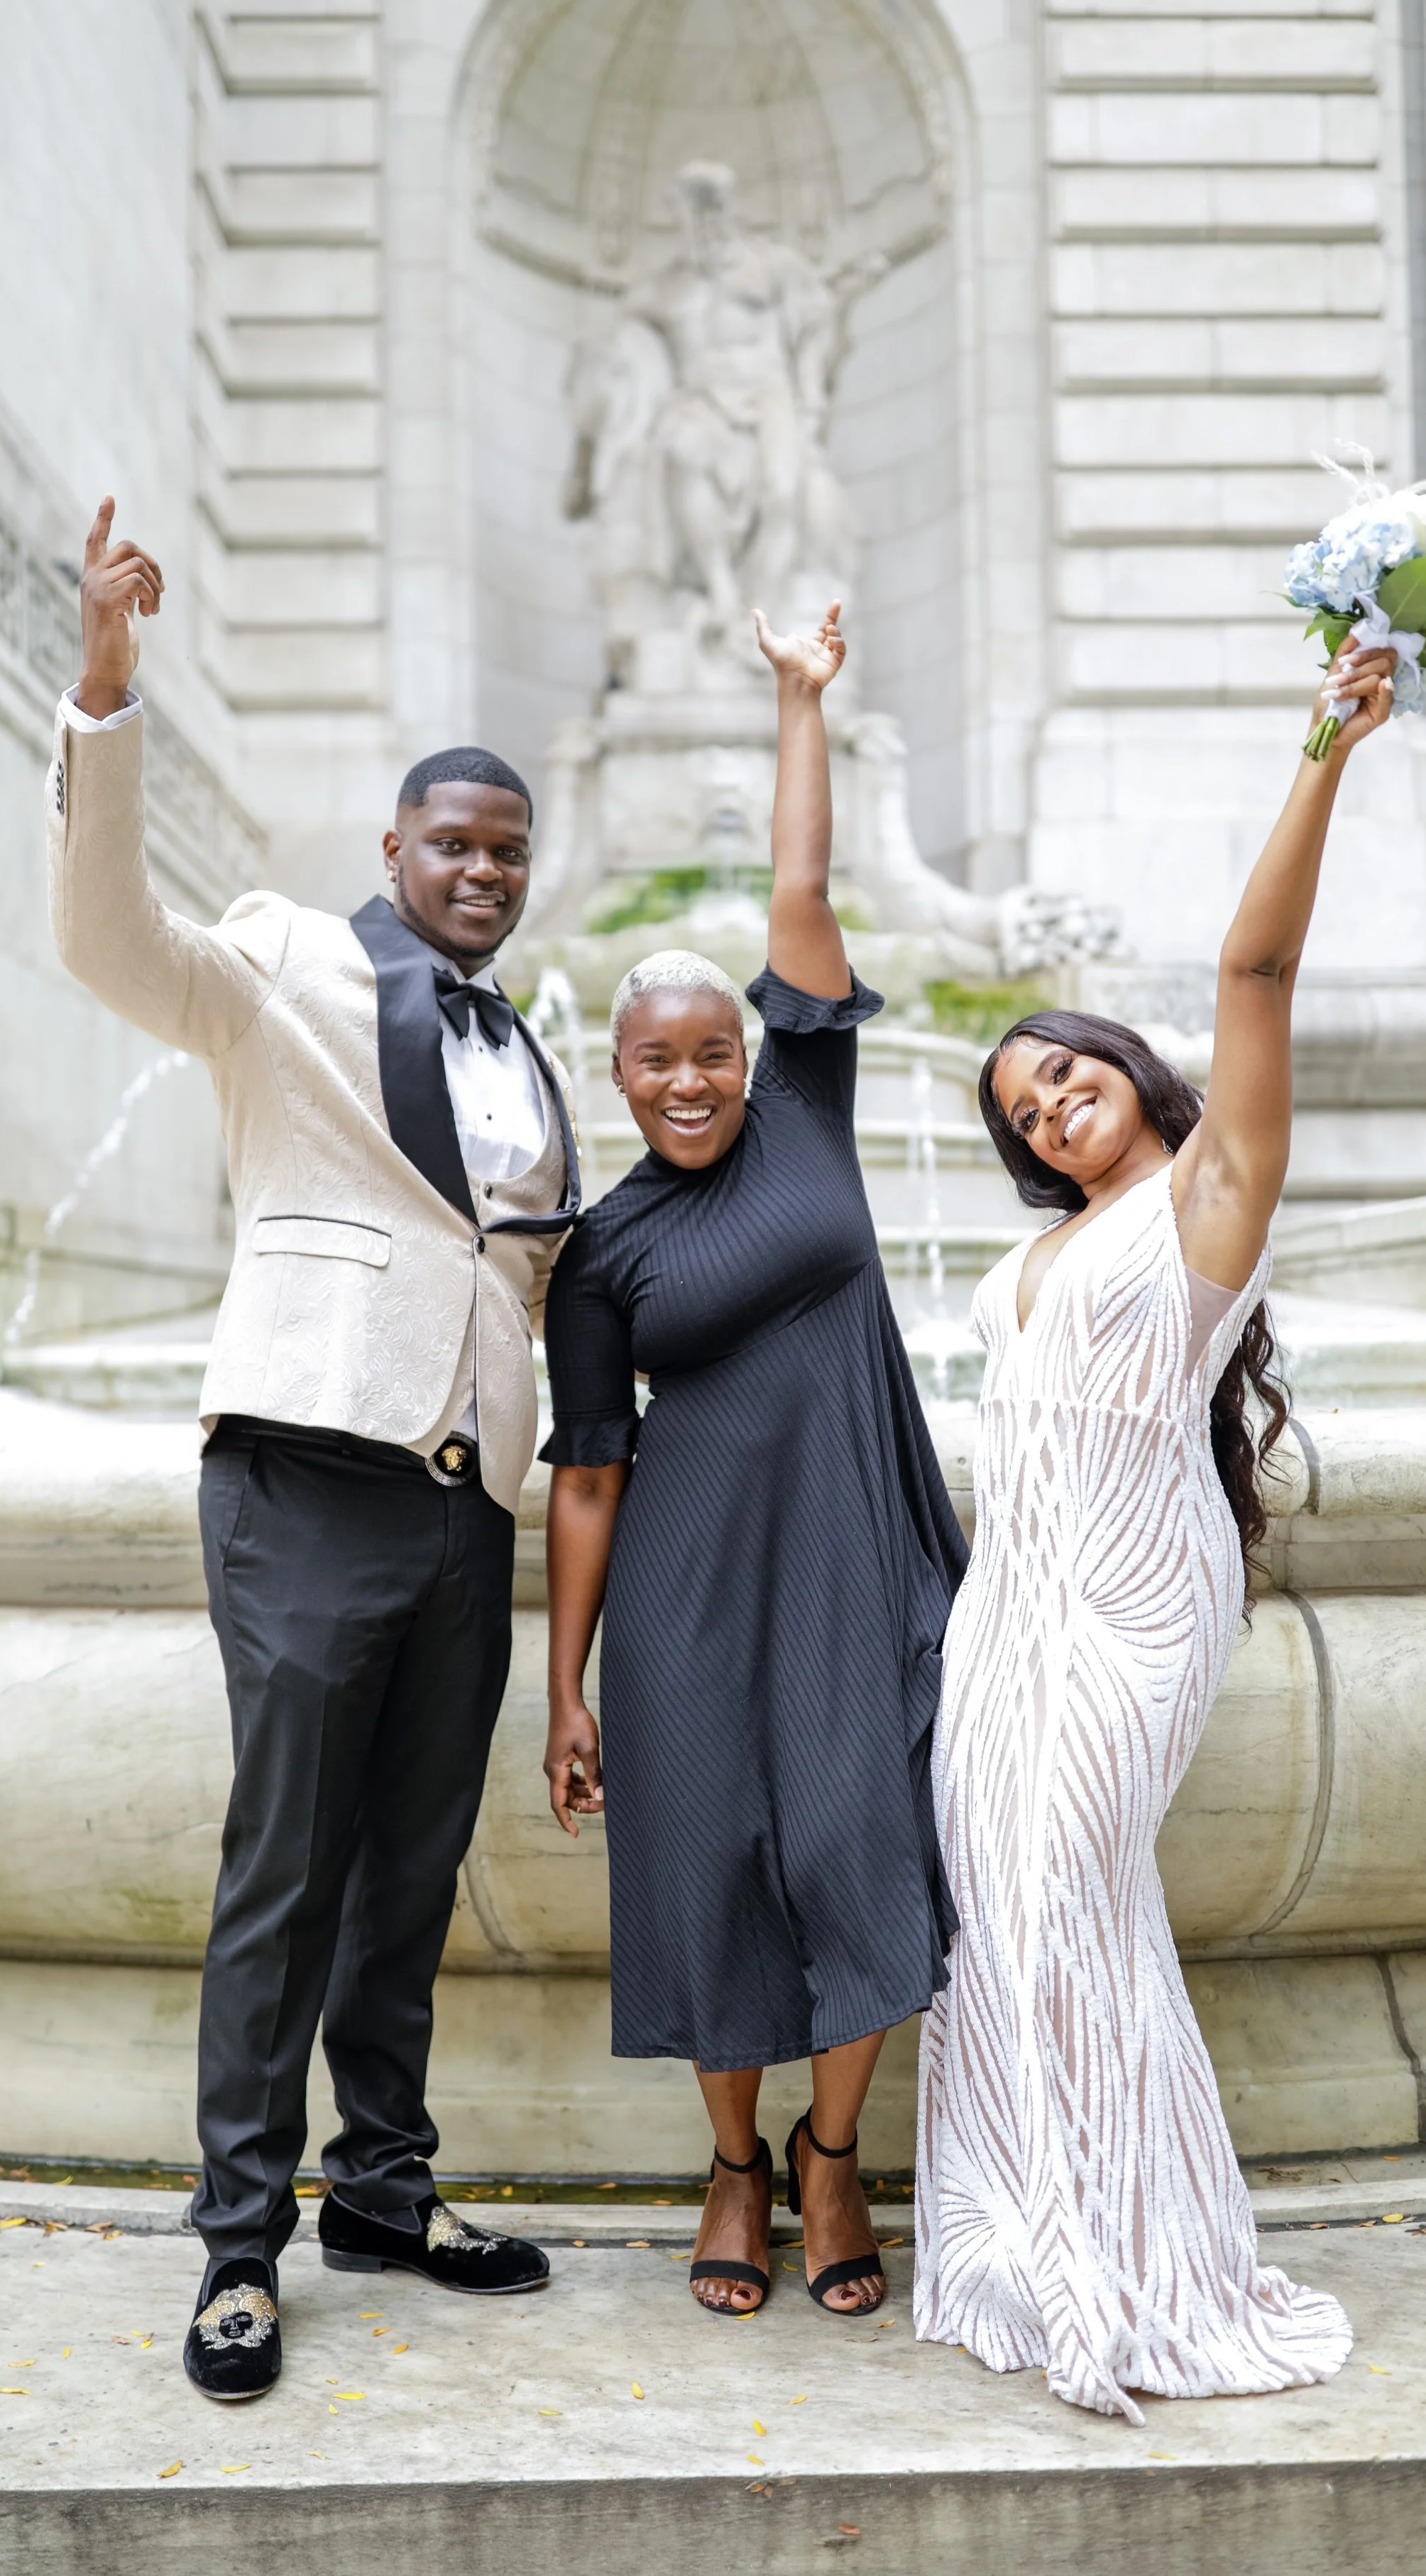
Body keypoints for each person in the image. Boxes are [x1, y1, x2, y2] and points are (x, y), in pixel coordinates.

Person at [49, 501, 581, 2401]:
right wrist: (106, 694)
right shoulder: (283, 961)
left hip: (460, 1507)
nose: (484, 870)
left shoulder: (533, 1051)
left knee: (410, 1864)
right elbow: (111, 938)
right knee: (283, 1865)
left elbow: (523, 1274)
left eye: (510, 851)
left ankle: (383, 2184)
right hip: (300, 1473)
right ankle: (237, 2244)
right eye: (455, 840)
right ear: (393, 849)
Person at [914, 633, 1398, 2416]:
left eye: (1062, 1068)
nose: (1044, 1097)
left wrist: (1323, 749)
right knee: (1010, 1911)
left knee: (1066, 1889)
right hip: (1005, 1614)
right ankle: (1037, 2243)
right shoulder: (1035, 1252)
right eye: (1020, 1106)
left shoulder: (1209, 1194)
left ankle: (1138, 2267)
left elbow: (1252, 961)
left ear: (1124, 1066)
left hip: (1129, 1602)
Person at [540, 603, 966, 2319]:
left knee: (866, 1851)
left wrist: (801, 701)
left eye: (713, 1048)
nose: (695, 1078)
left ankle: (831, 2155)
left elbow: (797, 891)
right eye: (659, 1060)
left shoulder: (808, 1104)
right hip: (687, 1587)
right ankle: (730, 2163)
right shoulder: (603, 1253)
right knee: (707, 1863)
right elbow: (584, 1470)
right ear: (621, 1076)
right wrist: (562, 1685)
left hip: (854, 1549)